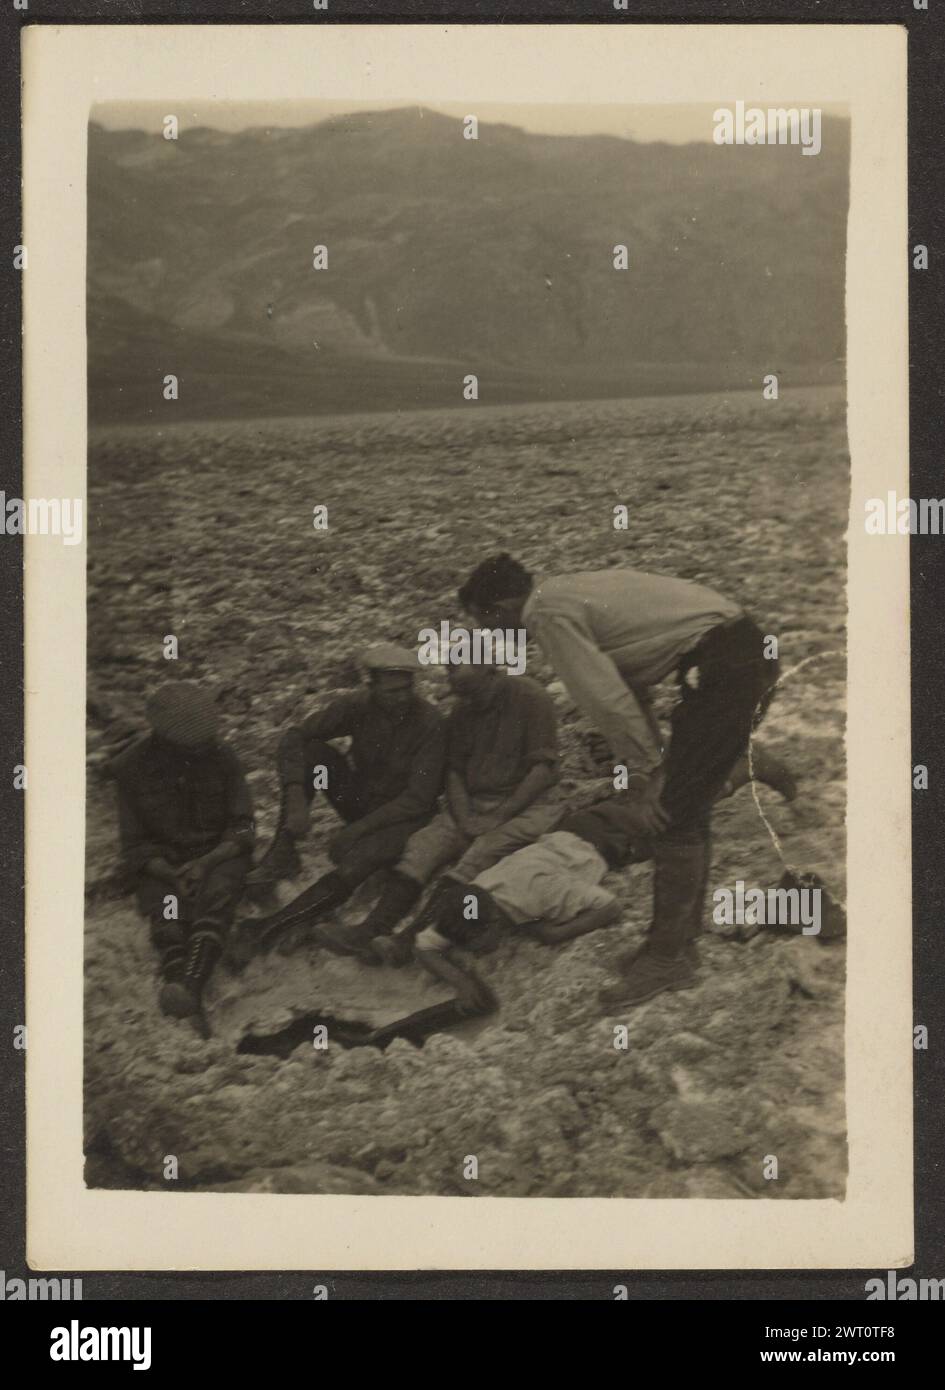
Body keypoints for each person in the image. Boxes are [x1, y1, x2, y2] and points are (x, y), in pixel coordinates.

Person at [456, 554, 791, 1007]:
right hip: (740, 652)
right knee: (684, 807)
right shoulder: (565, 591)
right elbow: (632, 690)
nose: (491, 635)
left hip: (725, 666)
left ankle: (668, 957)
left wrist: (651, 771)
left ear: (502, 605)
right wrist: (657, 765)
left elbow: (606, 699)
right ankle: (678, 943)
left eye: (486, 621)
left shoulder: (546, 614)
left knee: (671, 816)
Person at [319, 660, 562, 962]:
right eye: (461, 691)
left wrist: (496, 818)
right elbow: (455, 772)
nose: (469, 700)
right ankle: (368, 931)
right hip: (473, 803)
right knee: (423, 847)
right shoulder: (463, 708)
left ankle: (408, 941)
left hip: (528, 805)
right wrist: (464, 819)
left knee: (479, 854)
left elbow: (543, 770)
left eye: (474, 691)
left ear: (491, 671)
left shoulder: (531, 697)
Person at [239, 644, 446, 951]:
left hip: (406, 818)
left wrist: (356, 831)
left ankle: (270, 927)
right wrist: (296, 795)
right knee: (315, 755)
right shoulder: (356, 706)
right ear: (371, 686)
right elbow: (296, 736)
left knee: (357, 862)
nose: (401, 698)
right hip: (363, 800)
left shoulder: (430, 722)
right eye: (391, 692)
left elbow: (417, 799)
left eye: (406, 689)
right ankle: (283, 854)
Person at [111, 681, 255, 1033]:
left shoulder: (224, 759)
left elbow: (243, 829)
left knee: (217, 898)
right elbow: (134, 846)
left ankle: (191, 985)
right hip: (164, 865)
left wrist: (206, 863)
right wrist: (170, 872)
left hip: (217, 857)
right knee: (167, 908)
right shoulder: (129, 769)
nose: (200, 752)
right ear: (162, 739)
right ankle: (178, 985)